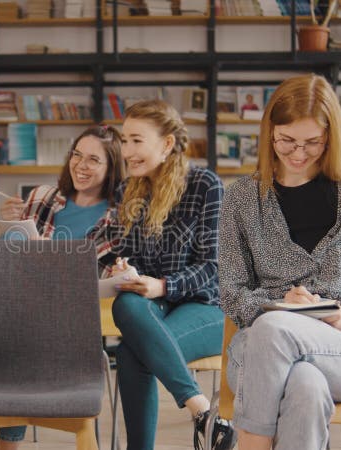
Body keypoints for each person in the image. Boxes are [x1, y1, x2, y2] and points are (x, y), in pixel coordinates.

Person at [218, 73, 341, 450]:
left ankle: (249, 443)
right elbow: (231, 292)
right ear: (269, 134)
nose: (298, 153)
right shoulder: (241, 198)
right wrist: (277, 309)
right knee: (305, 386)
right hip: (256, 351)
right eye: (287, 141)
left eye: (312, 142)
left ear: (331, 136)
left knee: (274, 330)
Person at [0, 124, 125, 449]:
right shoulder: (42, 198)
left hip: (79, 317)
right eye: (77, 155)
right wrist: (8, 225)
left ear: (111, 167)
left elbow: (106, 280)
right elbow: (10, 262)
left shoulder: (118, 217)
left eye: (93, 159)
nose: (81, 165)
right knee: (18, 342)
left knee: (18, 349)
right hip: (28, 309)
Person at [110, 99, 226, 450]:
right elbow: (130, 255)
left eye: (136, 140)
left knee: (131, 353)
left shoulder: (205, 185)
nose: (126, 150)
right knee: (125, 304)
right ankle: (203, 411)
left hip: (206, 306)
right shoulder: (125, 191)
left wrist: (163, 285)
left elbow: (213, 266)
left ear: (166, 144)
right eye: (123, 140)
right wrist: (125, 270)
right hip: (153, 307)